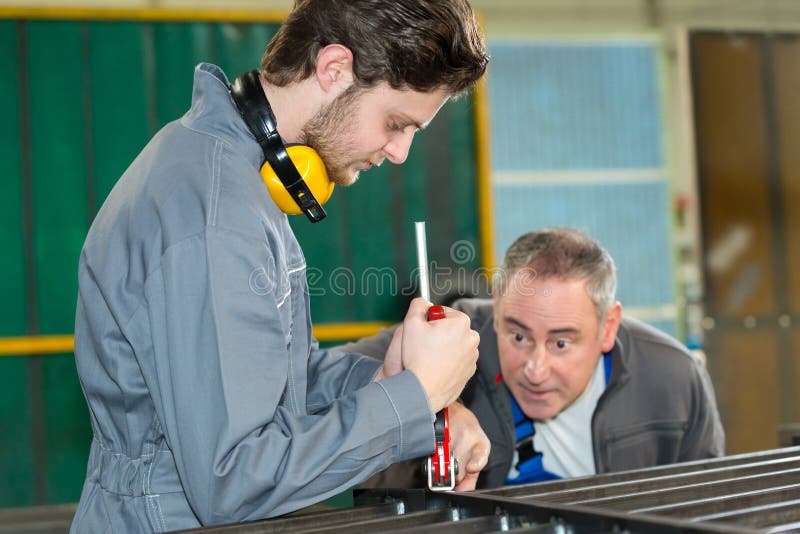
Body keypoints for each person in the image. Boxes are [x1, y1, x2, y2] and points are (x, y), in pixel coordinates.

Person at [70, 1, 490, 531]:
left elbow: (281, 382)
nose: (401, 151)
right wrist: (414, 398)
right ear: (334, 69)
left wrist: (399, 383)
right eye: (396, 122)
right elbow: (233, 481)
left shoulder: (231, 173)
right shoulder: (218, 215)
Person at [343, 228, 725, 489]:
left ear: (608, 327)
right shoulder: (451, 335)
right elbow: (315, 381)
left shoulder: (674, 379)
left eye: (561, 343)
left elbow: (706, 507)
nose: (535, 370)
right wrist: (428, 399)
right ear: (497, 303)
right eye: (518, 335)